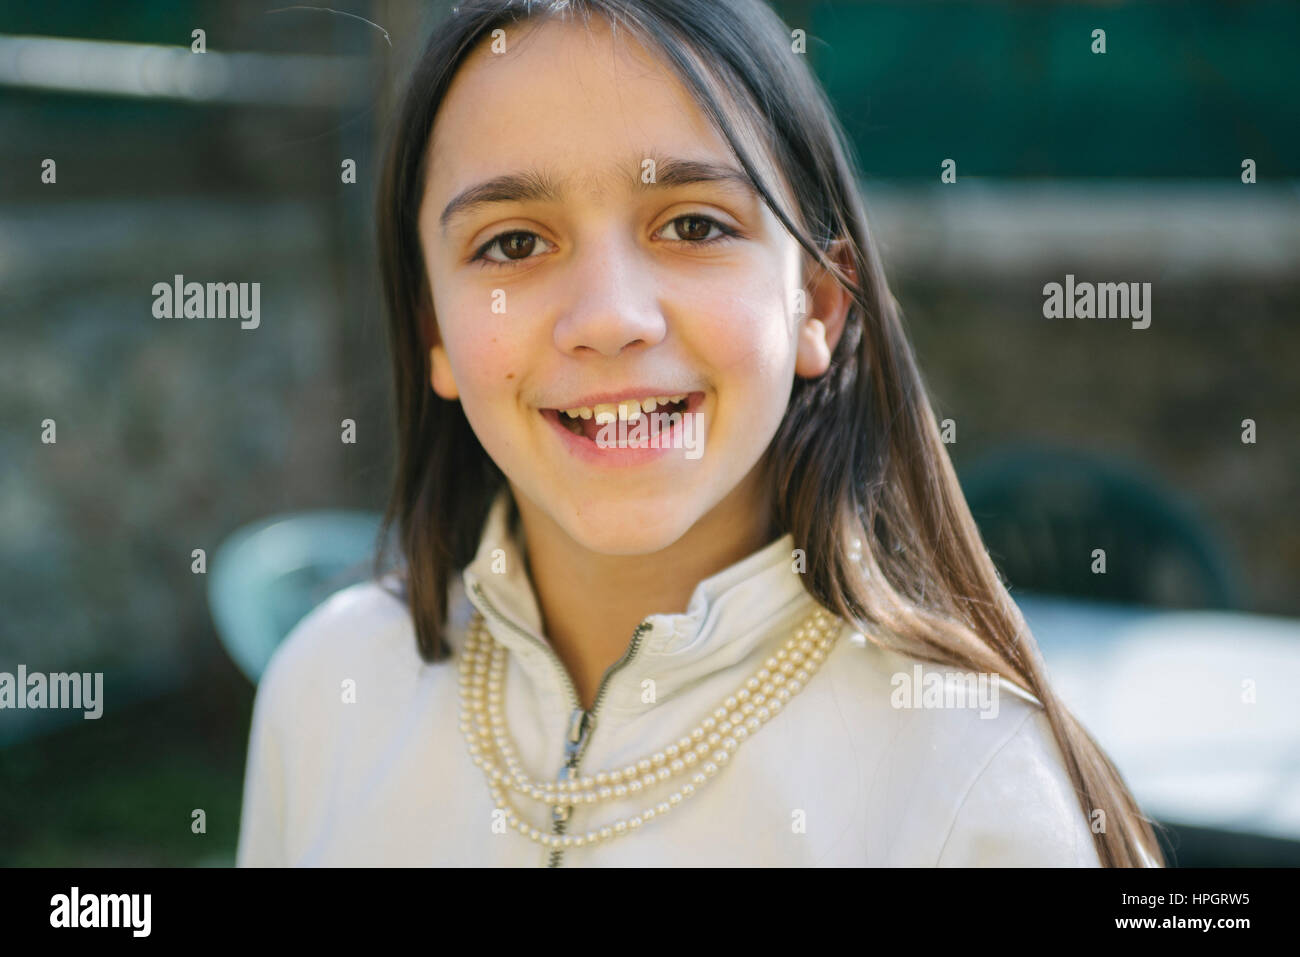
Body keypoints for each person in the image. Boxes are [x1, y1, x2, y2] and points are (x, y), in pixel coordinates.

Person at [236, 0, 1165, 867]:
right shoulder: (327, 686)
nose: (609, 317)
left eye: (692, 224)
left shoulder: (972, 779)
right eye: (513, 243)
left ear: (821, 302)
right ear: (433, 326)